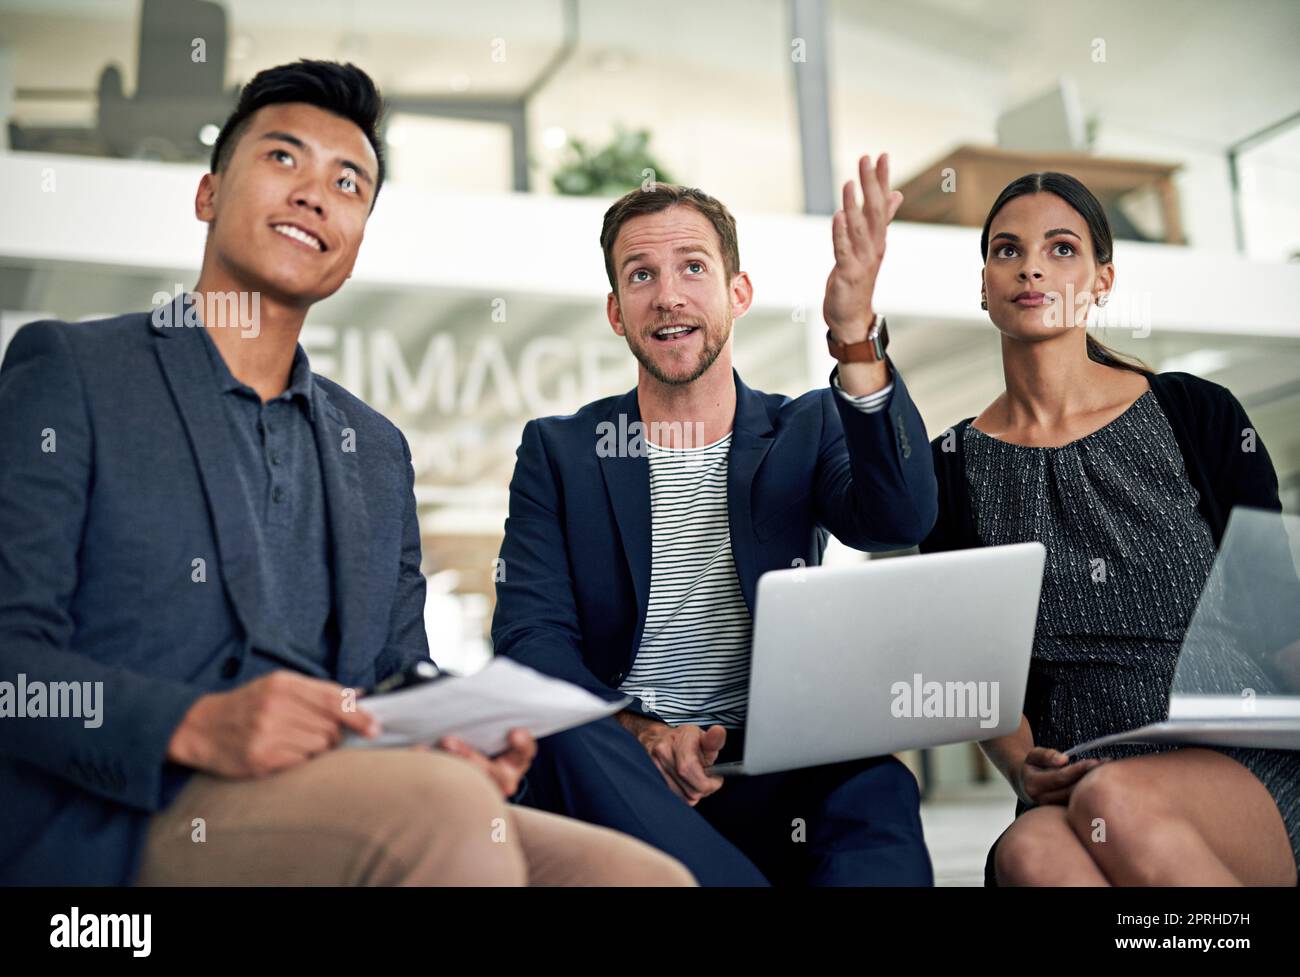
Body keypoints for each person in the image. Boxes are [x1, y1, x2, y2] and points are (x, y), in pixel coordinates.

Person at [0, 59, 693, 887]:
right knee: (442, 814)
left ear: (355, 244)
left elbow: (399, 674)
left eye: (348, 182)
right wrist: (192, 723)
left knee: (637, 878)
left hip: (354, 787)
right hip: (135, 811)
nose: (313, 192)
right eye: (282, 159)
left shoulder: (376, 448)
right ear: (208, 194)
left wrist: (452, 735)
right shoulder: (74, 372)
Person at [492, 156, 939, 885]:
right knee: (558, 725)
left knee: (877, 781)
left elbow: (900, 516)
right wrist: (640, 732)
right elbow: (529, 637)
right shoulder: (561, 450)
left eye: (692, 268)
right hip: (621, 767)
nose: (668, 296)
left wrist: (855, 333)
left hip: (769, 760)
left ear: (739, 291)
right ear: (616, 312)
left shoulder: (806, 426)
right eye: (640, 276)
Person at [921, 171, 1300, 886]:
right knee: (1031, 851)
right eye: (1008, 249)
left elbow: (1278, 616)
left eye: (1061, 249)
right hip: (1077, 768)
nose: (1031, 265)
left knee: (1113, 799)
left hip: (1237, 766)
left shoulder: (1196, 413)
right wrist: (1020, 767)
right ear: (984, 286)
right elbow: (976, 670)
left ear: (1102, 280)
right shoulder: (949, 468)